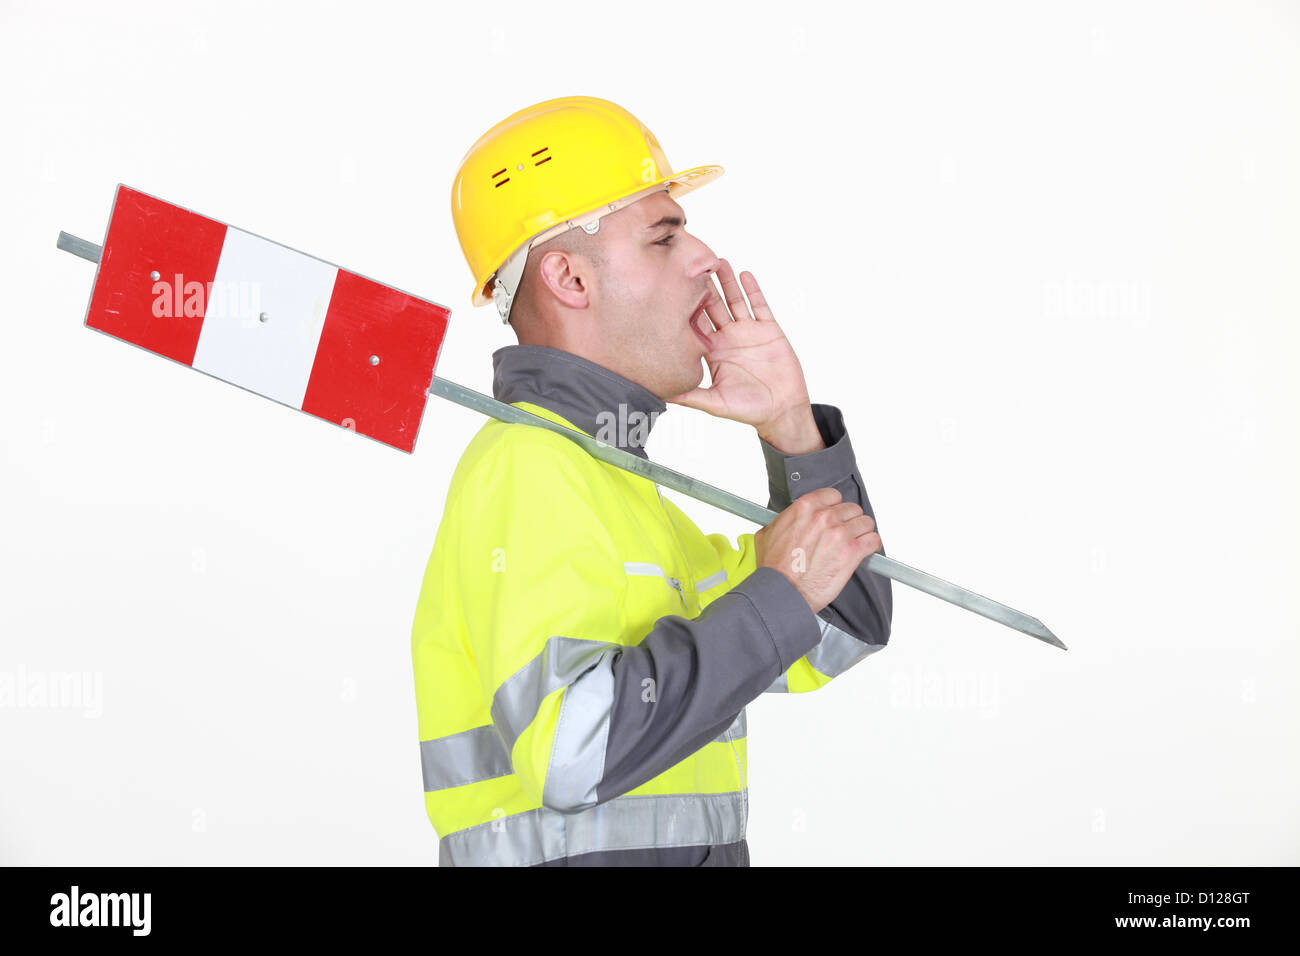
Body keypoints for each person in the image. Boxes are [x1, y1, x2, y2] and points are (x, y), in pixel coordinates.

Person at [411, 95, 893, 866]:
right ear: (570, 278)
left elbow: (844, 626)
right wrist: (776, 591)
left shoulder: (628, 498)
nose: (704, 256)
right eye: (664, 235)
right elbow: (575, 750)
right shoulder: (527, 469)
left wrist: (793, 430)